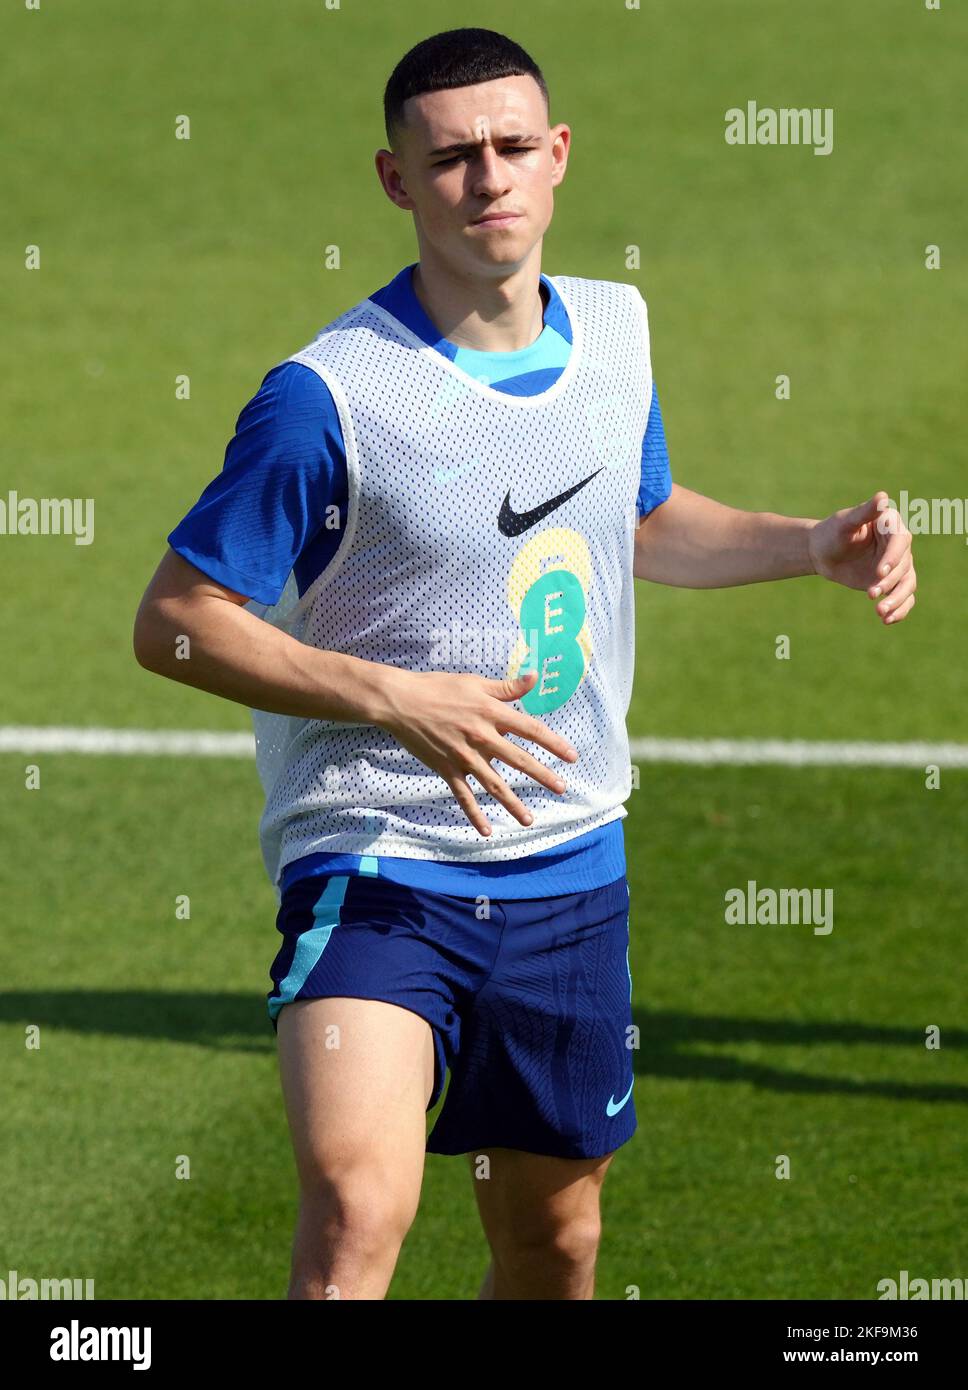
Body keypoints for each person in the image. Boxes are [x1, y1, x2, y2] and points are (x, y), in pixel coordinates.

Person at [132, 27, 916, 1301]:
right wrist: (391, 695)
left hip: (566, 865)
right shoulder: (325, 397)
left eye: (509, 148)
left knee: (552, 1248)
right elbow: (175, 617)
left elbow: (636, 520)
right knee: (353, 1213)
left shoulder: (615, 331)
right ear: (396, 182)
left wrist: (807, 545)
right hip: (379, 863)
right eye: (448, 159)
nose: (485, 179)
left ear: (556, 159)